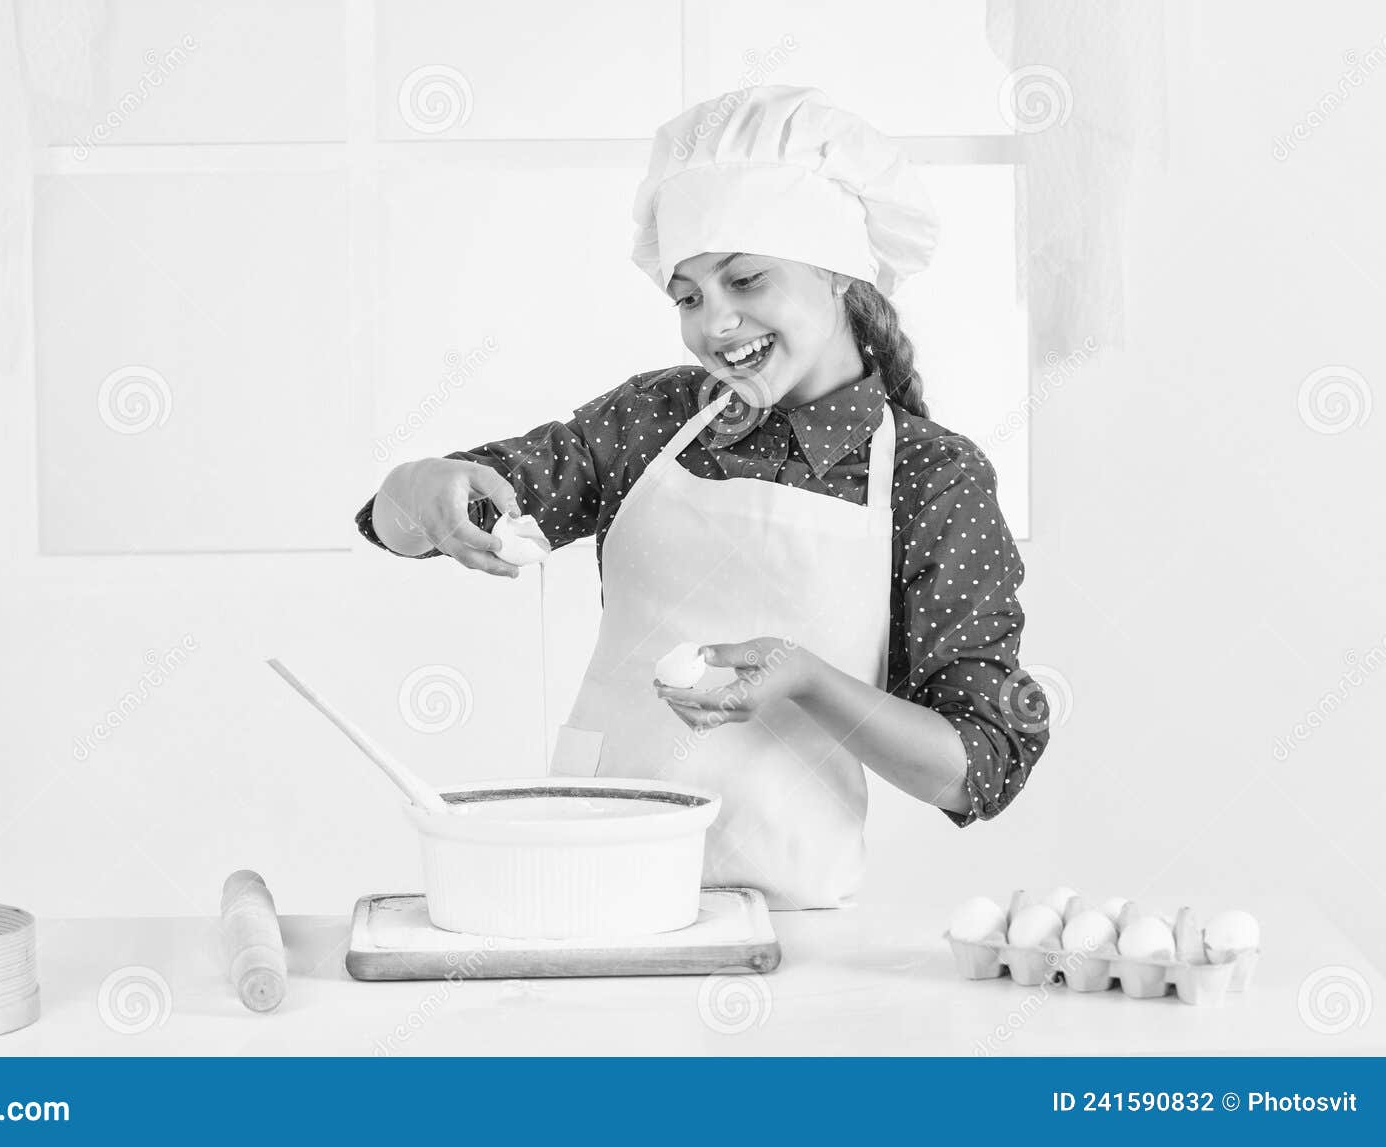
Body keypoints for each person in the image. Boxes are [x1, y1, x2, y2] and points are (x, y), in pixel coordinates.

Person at [356, 86, 1049, 909]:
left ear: (840, 278)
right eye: (688, 296)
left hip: (783, 927)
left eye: (746, 280)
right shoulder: (652, 418)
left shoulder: (935, 479)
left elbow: (977, 769)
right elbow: (412, 519)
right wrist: (423, 486)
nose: (714, 325)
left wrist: (803, 679)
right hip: (583, 884)